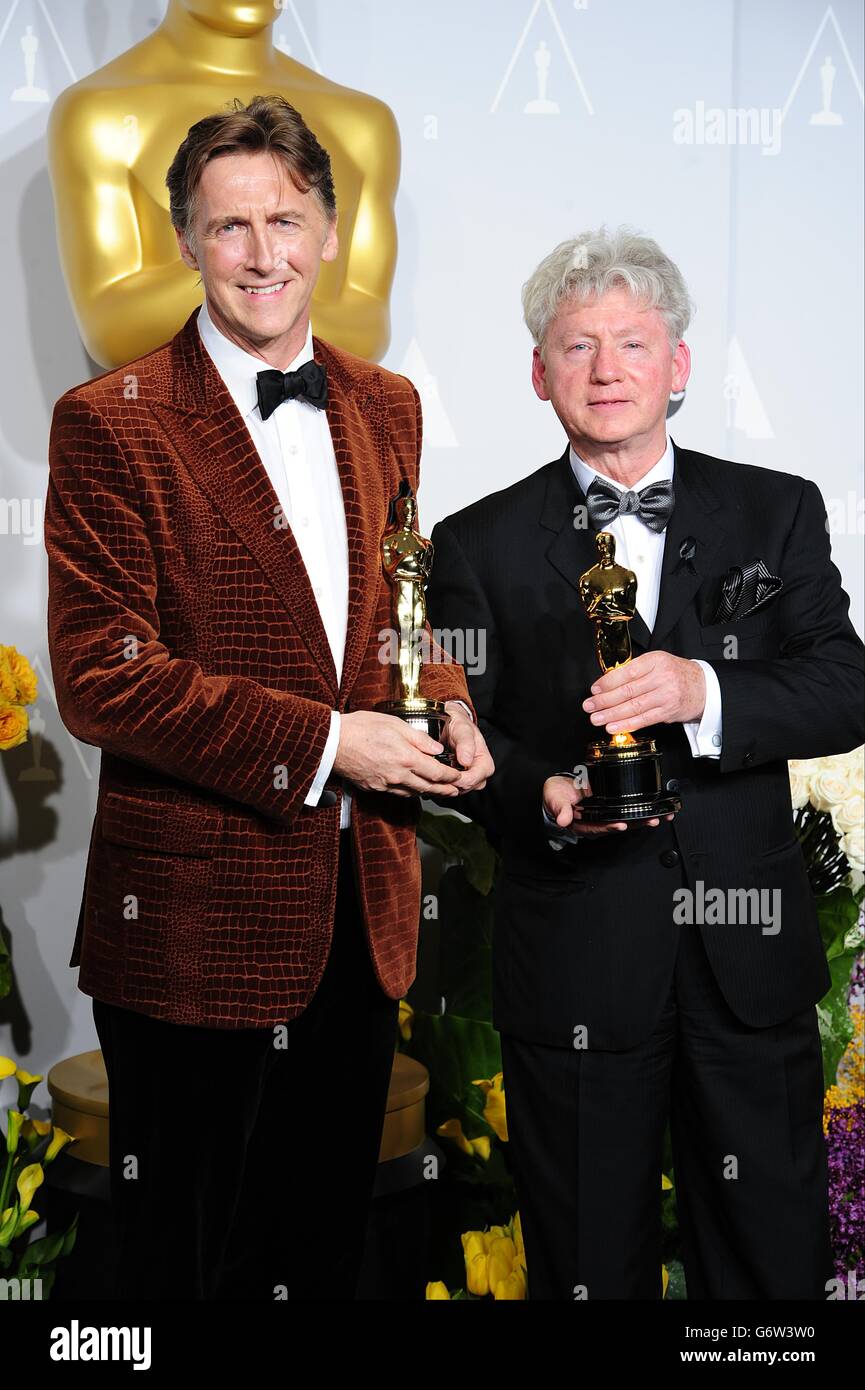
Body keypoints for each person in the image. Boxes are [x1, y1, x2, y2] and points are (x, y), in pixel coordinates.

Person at [44, 95, 493, 1301]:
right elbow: (103, 675)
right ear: (185, 241)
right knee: (181, 1272)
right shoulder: (110, 421)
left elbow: (398, 606)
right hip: (193, 927)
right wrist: (331, 744)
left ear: (330, 233)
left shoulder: (386, 403)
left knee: (320, 1261)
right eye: (228, 225)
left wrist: (445, 698)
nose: (261, 254)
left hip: (359, 912)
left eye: (285, 220)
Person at [425, 227, 864, 1300]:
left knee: (768, 1271)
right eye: (576, 345)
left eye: (632, 342)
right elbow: (458, 728)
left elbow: (845, 687)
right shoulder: (473, 541)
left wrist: (702, 691)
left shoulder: (776, 508)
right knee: (586, 1267)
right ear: (538, 373)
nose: (606, 369)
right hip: (574, 959)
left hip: (746, 967)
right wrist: (539, 791)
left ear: (678, 365)